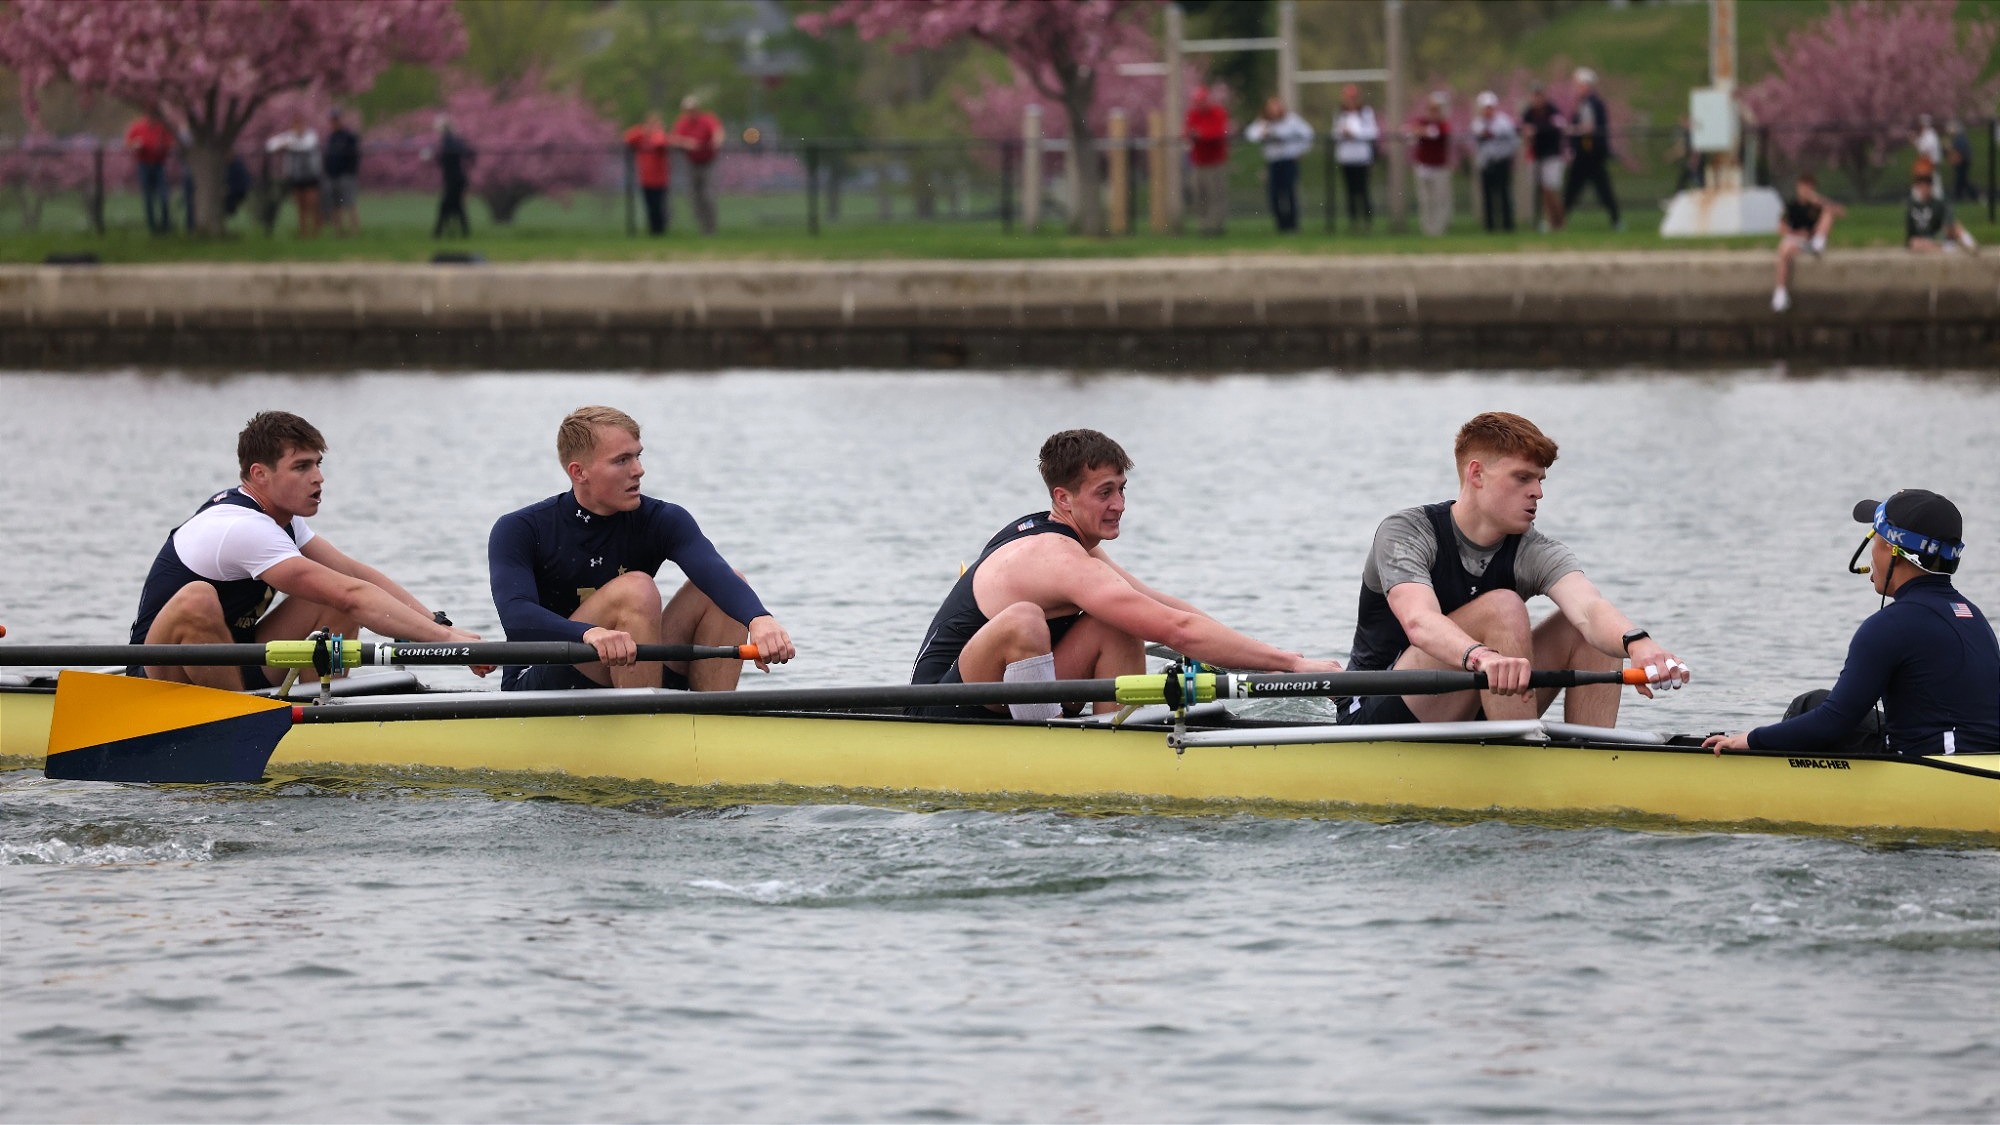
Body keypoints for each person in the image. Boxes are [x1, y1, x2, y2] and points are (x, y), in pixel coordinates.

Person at [909, 429, 1342, 721]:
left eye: (1121, 490)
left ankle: (1116, 739)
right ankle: (1053, 751)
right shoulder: (1056, 556)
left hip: (1003, 695)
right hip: (939, 707)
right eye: (1104, 493)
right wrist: (1291, 667)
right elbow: (1177, 631)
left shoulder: (1075, 542)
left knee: (1120, 622)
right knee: (1025, 618)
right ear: (1064, 498)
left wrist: (1276, 655)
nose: (1119, 505)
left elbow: (1166, 610)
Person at [1337, 412, 1689, 728]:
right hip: (1376, 707)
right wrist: (1483, 657)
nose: (1537, 492)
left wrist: (1638, 643)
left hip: (1484, 696)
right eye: (1522, 478)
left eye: (1540, 480)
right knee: (1503, 607)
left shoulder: (1533, 549)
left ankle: (1591, 762)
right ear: (1476, 473)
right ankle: (1525, 754)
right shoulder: (1407, 532)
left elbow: (1589, 608)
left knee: (1585, 629)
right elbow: (1419, 621)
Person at [129, 411, 480, 691]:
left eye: (317, 464)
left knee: (332, 590)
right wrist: (448, 643)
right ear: (259, 474)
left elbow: (354, 575)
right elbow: (353, 596)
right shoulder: (242, 527)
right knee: (198, 597)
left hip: (236, 660)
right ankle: (241, 727)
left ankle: (324, 711)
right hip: (160, 679)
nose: (318, 478)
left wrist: (436, 626)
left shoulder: (282, 519)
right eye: (301, 467)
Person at [488, 406, 795, 693]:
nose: (638, 470)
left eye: (638, 456)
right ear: (579, 472)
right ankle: (646, 727)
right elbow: (517, 616)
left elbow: (712, 571)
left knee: (728, 587)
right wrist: (587, 633)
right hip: (544, 677)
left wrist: (759, 619)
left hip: (634, 665)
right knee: (637, 588)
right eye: (622, 460)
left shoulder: (663, 519)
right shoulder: (520, 529)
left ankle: (714, 725)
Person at [1704, 490, 1997, 757]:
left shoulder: (1888, 626)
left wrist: (1749, 740)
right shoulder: (1972, 615)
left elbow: (1833, 722)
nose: (1872, 551)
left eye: (1875, 540)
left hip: (1933, 771)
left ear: (1892, 549)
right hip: (1981, 759)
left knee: (1808, 708)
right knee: (1818, 703)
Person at [1771, 173, 1843, 313]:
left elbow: (1841, 212)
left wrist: (1819, 200)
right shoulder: (1791, 205)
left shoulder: (1817, 205)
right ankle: (1780, 292)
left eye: (1809, 187)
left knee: (1828, 213)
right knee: (1783, 250)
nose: (1806, 190)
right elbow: (1781, 228)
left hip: (1813, 237)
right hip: (1798, 239)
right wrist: (1796, 233)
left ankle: (1818, 244)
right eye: (1803, 186)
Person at [1562, 67, 1621, 231]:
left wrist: (1574, 130)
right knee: (1572, 189)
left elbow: (1589, 128)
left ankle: (1616, 220)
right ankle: (1559, 220)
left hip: (1591, 153)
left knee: (1602, 189)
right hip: (1583, 153)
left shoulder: (1593, 104)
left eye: (1579, 84)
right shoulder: (1583, 103)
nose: (1577, 88)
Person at [1245, 94, 1312, 233]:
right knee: (1274, 194)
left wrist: (1300, 151)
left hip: (1288, 161)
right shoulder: (1264, 122)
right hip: (1273, 162)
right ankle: (1281, 225)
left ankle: (1292, 225)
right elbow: (1250, 134)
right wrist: (1261, 134)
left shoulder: (1291, 120)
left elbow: (1308, 133)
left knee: (1289, 193)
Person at [671, 95, 725, 236]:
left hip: (708, 162)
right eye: (687, 109)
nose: (690, 112)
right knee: (694, 196)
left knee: (708, 194)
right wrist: (686, 143)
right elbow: (674, 139)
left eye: (692, 109)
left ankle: (711, 228)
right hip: (692, 163)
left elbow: (718, 132)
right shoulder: (682, 123)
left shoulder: (707, 119)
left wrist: (716, 140)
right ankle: (703, 226)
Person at [1185, 85, 1231, 237]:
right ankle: (1203, 224)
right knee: (1199, 194)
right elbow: (1187, 132)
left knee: (1215, 194)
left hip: (1214, 162)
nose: (1199, 104)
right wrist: (1198, 135)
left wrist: (1202, 134)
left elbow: (1218, 133)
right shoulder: (1193, 114)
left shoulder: (1218, 113)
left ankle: (1216, 225)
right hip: (1198, 161)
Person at [1332, 84, 1379, 232]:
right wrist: (1343, 133)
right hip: (1346, 158)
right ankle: (1354, 223)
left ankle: (1367, 221)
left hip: (1362, 158)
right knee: (1350, 192)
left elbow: (1372, 132)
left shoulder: (1365, 113)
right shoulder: (1340, 114)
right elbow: (1335, 134)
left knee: (1363, 191)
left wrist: (1355, 134)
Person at [265, 115, 322, 238]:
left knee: (312, 203)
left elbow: (306, 146)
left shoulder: (310, 136)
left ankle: (316, 231)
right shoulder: (289, 136)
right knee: (300, 205)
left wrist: (288, 144)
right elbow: (270, 145)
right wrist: (286, 143)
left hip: (310, 175)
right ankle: (304, 232)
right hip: (296, 175)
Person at [1519, 82, 1566, 232]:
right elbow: (1524, 131)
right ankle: (1552, 221)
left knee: (1551, 189)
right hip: (1537, 156)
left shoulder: (1553, 111)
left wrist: (1537, 130)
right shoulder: (1529, 113)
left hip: (1552, 155)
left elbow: (1557, 128)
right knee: (1544, 190)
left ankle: (1557, 220)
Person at [1470, 91, 1518, 233]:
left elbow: (1511, 140)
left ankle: (1507, 225)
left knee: (1504, 193)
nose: (1487, 111)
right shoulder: (1477, 123)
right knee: (1488, 196)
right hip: (1486, 163)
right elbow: (1479, 136)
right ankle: (1490, 226)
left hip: (1501, 161)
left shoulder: (1504, 121)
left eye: (1490, 107)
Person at [1409, 91, 1453, 237]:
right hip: (1423, 165)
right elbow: (1412, 132)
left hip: (1439, 167)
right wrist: (1421, 131)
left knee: (1440, 199)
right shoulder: (1422, 121)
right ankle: (1427, 229)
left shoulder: (1443, 124)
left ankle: (1439, 229)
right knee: (1425, 199)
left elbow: (1434, 133)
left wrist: (1422, 131)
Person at [624, 111, 674, 236]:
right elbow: (628, 137)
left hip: (660, 179)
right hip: (646, 178)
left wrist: (655, 132)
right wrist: (644, 131)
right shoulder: (641, 136)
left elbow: (660, 143)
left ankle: (660, 231)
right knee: (650, 206)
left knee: (659, 206)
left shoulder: (659, 135)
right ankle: (653, 231)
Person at [124, 109, 175, 234]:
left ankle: (165, 224)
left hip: (159, 164)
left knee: (164, 195)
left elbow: (171, 144)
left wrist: (163, 147)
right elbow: (129, 143)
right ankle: (152, 226)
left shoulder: (162, 128)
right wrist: (136, 145)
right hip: (144, 164)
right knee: (148, 196)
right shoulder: (138, 127)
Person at [427, 114, 475, 239]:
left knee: (446, 206)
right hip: (457, 179)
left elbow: (465, 153)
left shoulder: (449, 141)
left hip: (454, 180)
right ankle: (464, 232)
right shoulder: (453, 140)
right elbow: (469, 153)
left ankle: (438, 233)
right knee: (456, 206)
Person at [1905, 173, 1978, 254]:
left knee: (1955, 224)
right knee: (1915, 243)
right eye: (1921, 186)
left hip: (1939, 234)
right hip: (1924, 239)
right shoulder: (1912, 206)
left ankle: (1971, 244)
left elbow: (1948, 214)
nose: (1924, 189)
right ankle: (1946, 249)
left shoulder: (1937, 203)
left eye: (1927, 186)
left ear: (1931, 187)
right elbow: (1910, 232)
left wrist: (1947, 225)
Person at [323, 108, 362, 236]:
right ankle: (338, 232)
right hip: (333, 175)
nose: (334, 123)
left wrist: (350, 170)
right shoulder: (331, 138)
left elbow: (355, 155)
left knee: (349, 203)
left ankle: (354, 231)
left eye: (336, 120)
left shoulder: (349, 137)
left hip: (346, 175)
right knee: (336, 205)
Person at [1946, 119, 1977, 203]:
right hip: (1962, 162)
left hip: (1962, 162)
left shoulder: (1959, 138)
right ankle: (1960, 195)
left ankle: (1962, 195)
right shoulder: (1959, 138)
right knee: (1962, 180)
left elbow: (1959, 152)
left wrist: (1950, 149)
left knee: (1961, 180)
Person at [1914, 114, 1943, 196]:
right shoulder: (1927, 134)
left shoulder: (1930, 135)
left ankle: (1936, 198)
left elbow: (1926, 149)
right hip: (1928, 162)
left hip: (1930, 162)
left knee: (1934, 182)